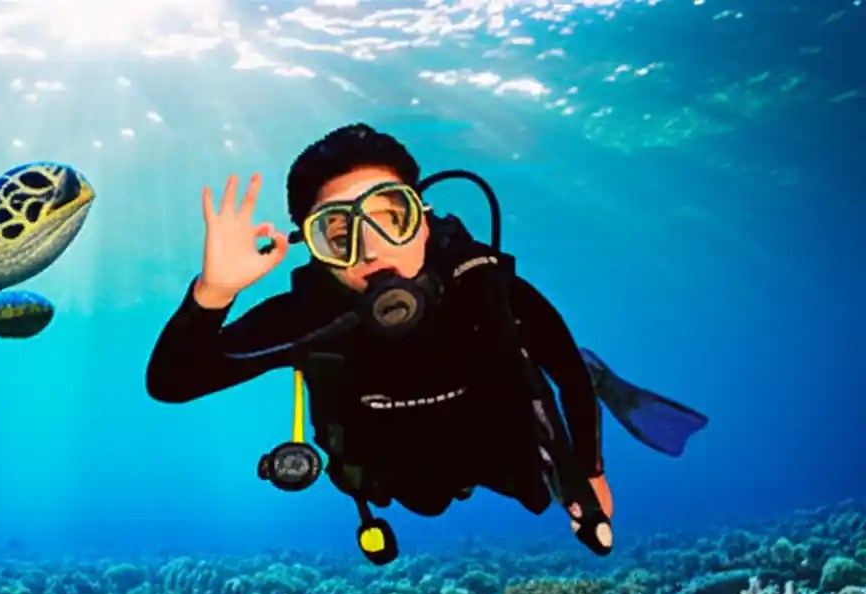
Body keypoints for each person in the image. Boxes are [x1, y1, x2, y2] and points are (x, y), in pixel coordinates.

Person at [146, 123, 707, 565]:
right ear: (314, 251)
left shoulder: (484, 288)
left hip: (496, 449)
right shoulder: (308, 316)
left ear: (422, 217)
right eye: (337, 234)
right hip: (399, 471)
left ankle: (601, 375)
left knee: (543, 443)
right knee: (420, 498)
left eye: (391, 216)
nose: (370, 250)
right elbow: (173, 383)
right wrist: (213, 293)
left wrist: (589, 471)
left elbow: (564, 371)